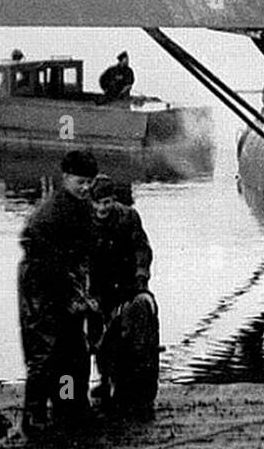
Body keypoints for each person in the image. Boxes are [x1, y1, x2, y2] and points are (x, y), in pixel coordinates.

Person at [17, 149, 99, 434]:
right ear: (66, 178)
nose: (86, 188)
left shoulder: (84, 208)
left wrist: (82, 294)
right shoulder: (48, 215)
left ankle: (70, 405)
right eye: (80, 182)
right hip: (41, 287)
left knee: (74, 350)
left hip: (70, 283)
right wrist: (69, 297)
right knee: (45, 352)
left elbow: (87, 251)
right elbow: (46, 262)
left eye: (90, 182)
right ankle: (35, 413)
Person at [88, 175, 159, 411]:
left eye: (106, 202)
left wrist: (141, 278)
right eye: (97, 203)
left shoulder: (128, 217)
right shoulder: (83, 221)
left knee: (128, 335)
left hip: (126, 285)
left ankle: (128, 385)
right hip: (97, 288)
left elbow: (142, 249)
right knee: (98, 336)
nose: (101, 208)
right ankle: (105, 379)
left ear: (113, 200)